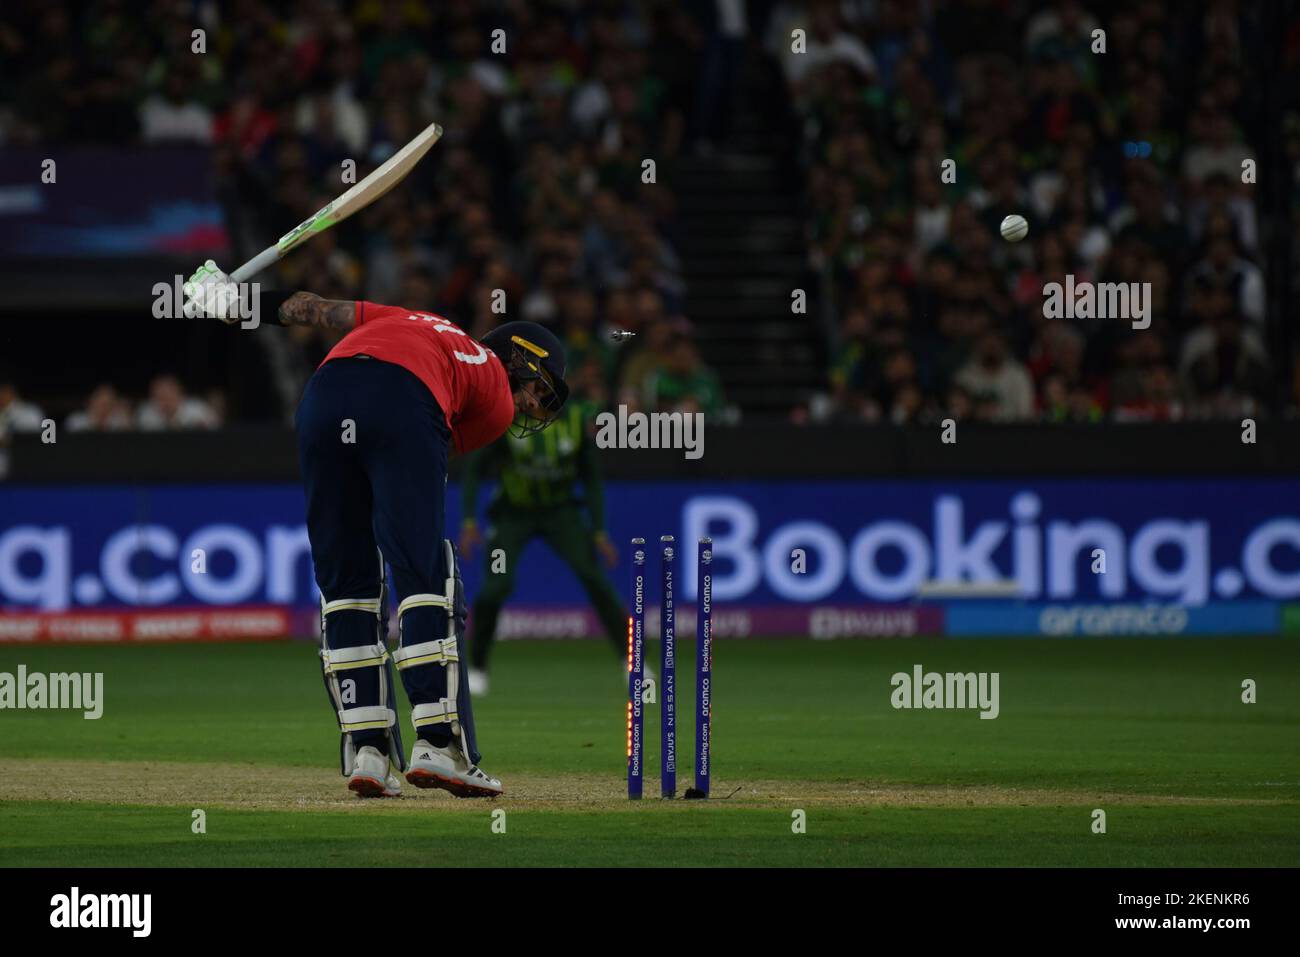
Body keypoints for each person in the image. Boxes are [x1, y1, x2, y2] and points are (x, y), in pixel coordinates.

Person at [184, 260, 569, 800]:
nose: (532, 405)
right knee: (425, 571)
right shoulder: (497, 402)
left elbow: (313, 309)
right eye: (539, 391)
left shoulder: (411, 318)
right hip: (403, 404)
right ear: (519, 358)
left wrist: (236, 303)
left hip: (322, 398)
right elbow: (412, 450)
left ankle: (368, 752)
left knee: (346, 584)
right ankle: (439, 745)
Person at [459, 393, 631, 696]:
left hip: (561, 515)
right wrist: (470, 521)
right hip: (511, 517)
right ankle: (478, 667)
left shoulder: (576, 421)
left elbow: (591, 478)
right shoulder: (509, 418)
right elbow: (475, 467)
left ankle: (631, 662)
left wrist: (600, 531)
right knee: (496, 586)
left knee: (593, 578)